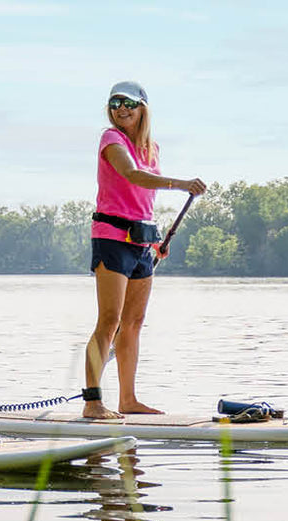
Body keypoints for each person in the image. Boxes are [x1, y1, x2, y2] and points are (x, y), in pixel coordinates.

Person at [82, 81, 204, 420]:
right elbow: (132, 176)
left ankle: (128, 400)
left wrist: (154, 242)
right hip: (110, 238)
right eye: (115, 103)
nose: (121, 109)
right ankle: (92, 403)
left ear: (143, 108)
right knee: (109, 321)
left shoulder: (152, 148)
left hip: (141, 243)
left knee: (134, 323)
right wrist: (181, 184)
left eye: (129, 104)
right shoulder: (111, 139)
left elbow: (143, 201)